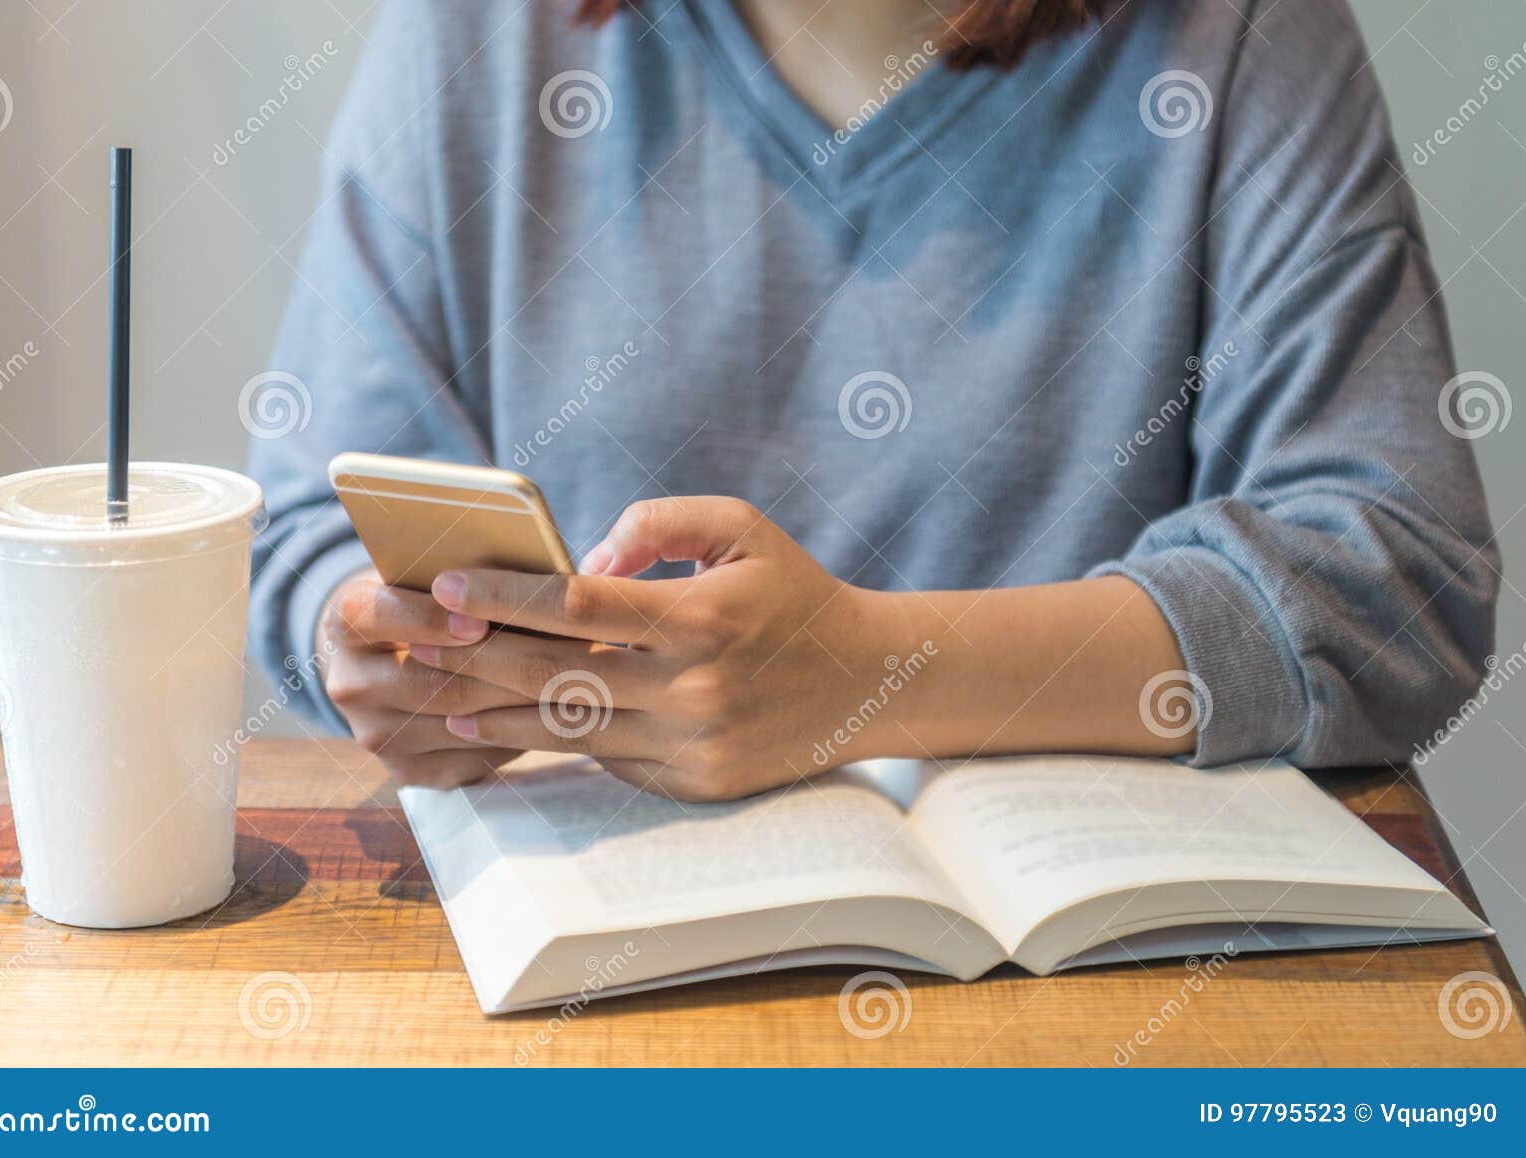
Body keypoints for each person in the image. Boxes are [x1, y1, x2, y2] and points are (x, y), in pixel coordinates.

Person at [248, 0, 1497, 801]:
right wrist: (374, 649)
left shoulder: (1236, 34)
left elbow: (1395, 585)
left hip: (1099, 959)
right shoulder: (475, 33)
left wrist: (870, 673)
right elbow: (307, 535)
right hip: (594, 935)